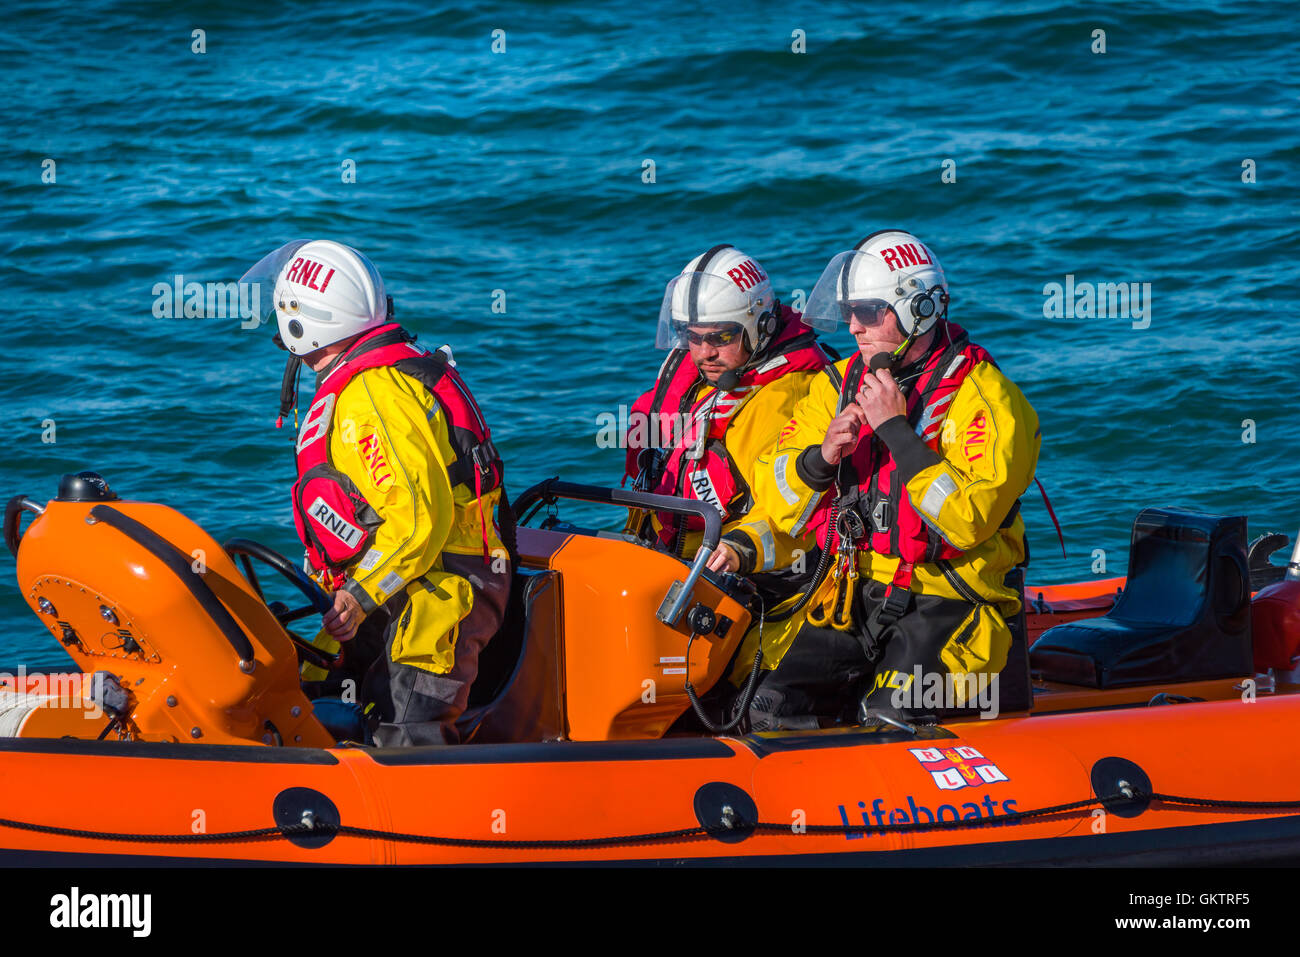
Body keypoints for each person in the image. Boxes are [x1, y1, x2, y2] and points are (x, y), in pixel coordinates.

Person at [746, 229, 1041, 730]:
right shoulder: (836, 386)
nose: (854, 326)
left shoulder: (988, 400)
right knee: (768, 708)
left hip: (955, 601)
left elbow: (967, 521)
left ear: (919, 310)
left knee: (890, 715)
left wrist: (896, 433)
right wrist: (817, 461)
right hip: (859, 593)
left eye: (868, 311)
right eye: (849, 313)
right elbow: (773, 492)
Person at [246, 239, 511, 746]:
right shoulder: (376, 377)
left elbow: (419, 522)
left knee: (406, 734)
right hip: (391, 584)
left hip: (438, 593)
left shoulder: (373, 397)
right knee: (311, 692)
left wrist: (361, 595)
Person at [622, 245, 833, 721]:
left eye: (720, 337)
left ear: (757, 326)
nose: (704, 352)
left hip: (766, 593)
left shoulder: (793, 396)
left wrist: (738, 549)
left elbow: (793, 513)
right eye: (691, 337)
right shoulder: (703, 376)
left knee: (754, 710)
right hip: (680, 577)